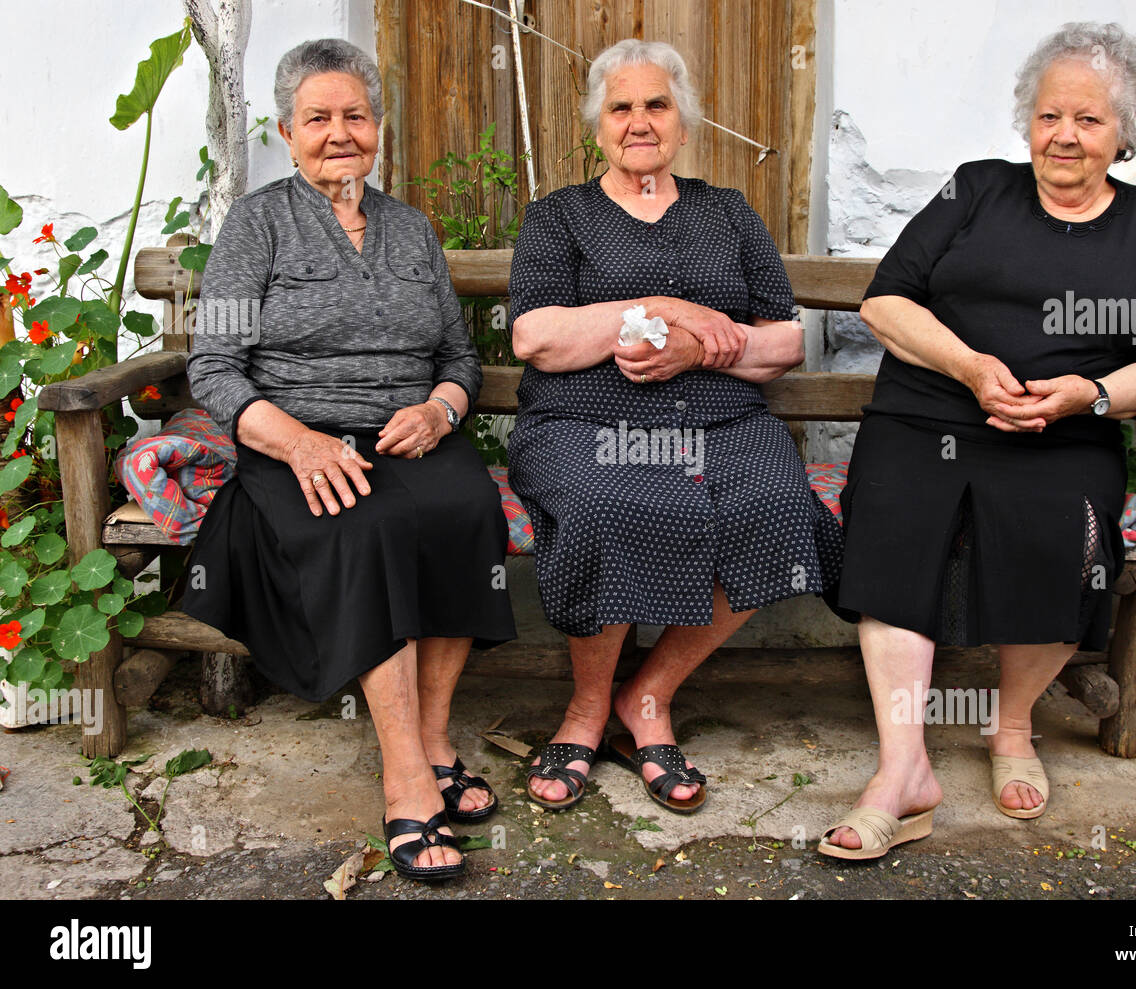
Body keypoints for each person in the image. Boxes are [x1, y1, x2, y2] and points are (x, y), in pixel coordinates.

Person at [819, 22, 1136, 859]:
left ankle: (1012, 724)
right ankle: (902, 768)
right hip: (930, 412)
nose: (1062, 135)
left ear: (1124, 132)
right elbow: (886, 303)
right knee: (893, 526)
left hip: (1062, 432)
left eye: (1088, 120)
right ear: (1028, 121)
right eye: (1048, 115)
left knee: (1066, 537)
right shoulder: (976, 190)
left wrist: (1089, 396)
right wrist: (967, 366)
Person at [183, 38, 516, 882]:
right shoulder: (256, 224)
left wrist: (442, 409)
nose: (340, 133)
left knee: (465, 510)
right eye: (319, 118)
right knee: (364, 525)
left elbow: (458, 357)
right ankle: (406, 778)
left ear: (378, 129)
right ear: (289, 132)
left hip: (408, 434)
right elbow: (212, 366)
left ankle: (436, 739)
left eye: (356, 116)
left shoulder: (410, 228)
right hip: (293, 441)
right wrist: (297, 441)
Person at [508, 39, 843, 815]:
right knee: (603, 502)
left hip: (721, 419)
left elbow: (785, 340)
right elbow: (537, 338)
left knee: (778, 505)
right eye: (620, 107)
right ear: (598, 124)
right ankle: (586, 708)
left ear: (683, 121)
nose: (638, 121)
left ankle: (648, 694)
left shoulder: (728, 212)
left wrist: (702, 348)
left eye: (656, 104)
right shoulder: (559, 218)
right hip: (584, 421)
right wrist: (661, 310)